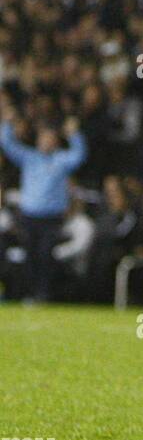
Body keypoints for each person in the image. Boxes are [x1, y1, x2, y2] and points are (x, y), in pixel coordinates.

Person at [0, 109, 87, 301]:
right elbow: (7, 144)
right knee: (30, 255)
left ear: (55, 141)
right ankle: (30, 293)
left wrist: (73, 134)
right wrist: (7, 124)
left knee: (45, 254)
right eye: (44, 138)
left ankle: (44, 293)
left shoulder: (61, 160)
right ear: (39, 140)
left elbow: (79, 156)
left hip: (51, 217)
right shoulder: (29, 158)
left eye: (50, 138)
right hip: (30, 215)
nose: (46, 142)